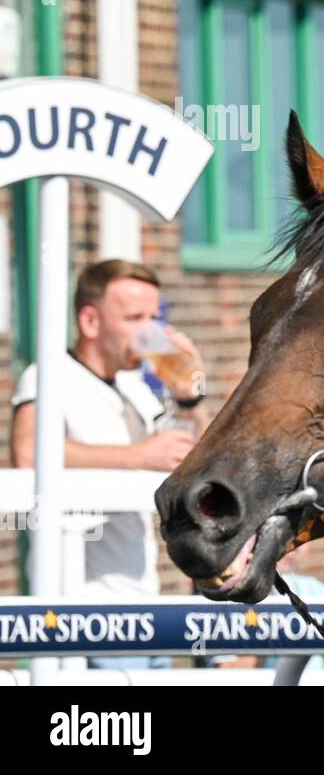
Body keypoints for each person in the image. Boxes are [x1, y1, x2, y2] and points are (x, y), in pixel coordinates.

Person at [9, 259, 210, 669]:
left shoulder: (138, 387)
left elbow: (198, 454)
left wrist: (191, 395)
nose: (149, 331)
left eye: (155, 317)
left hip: (148, 606)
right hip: (83, 613)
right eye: (135, 317)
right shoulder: (47, 374)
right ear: (90, 320)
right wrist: (133, 457)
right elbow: (27, 451)